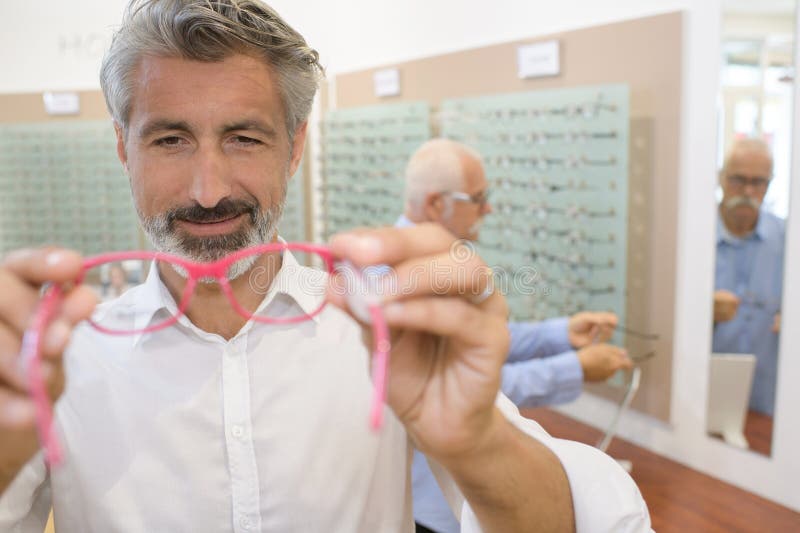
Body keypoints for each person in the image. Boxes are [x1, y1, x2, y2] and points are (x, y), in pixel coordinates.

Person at [0, 2, 650, 532]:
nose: (206, 188)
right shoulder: (53, 362)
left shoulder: (383, 331)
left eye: (244, 137)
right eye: (170, 139)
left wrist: (477, 442)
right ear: (122, 146)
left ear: (296, 146)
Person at [398, 139, 633, 532]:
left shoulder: (445, 262)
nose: (487, 208)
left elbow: (481, 343)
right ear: (438, 204)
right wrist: (574, 368)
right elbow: (465, 388)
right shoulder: (403, 277)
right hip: (433, 507)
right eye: (478, 197)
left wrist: (562, 333)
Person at [713, 138, 784, 416]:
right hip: (702, 391)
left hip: (766, 396)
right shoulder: (691, 237)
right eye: (738, 179)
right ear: (721, 178)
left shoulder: (788, 240)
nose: (748, 191)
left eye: (759, 183)